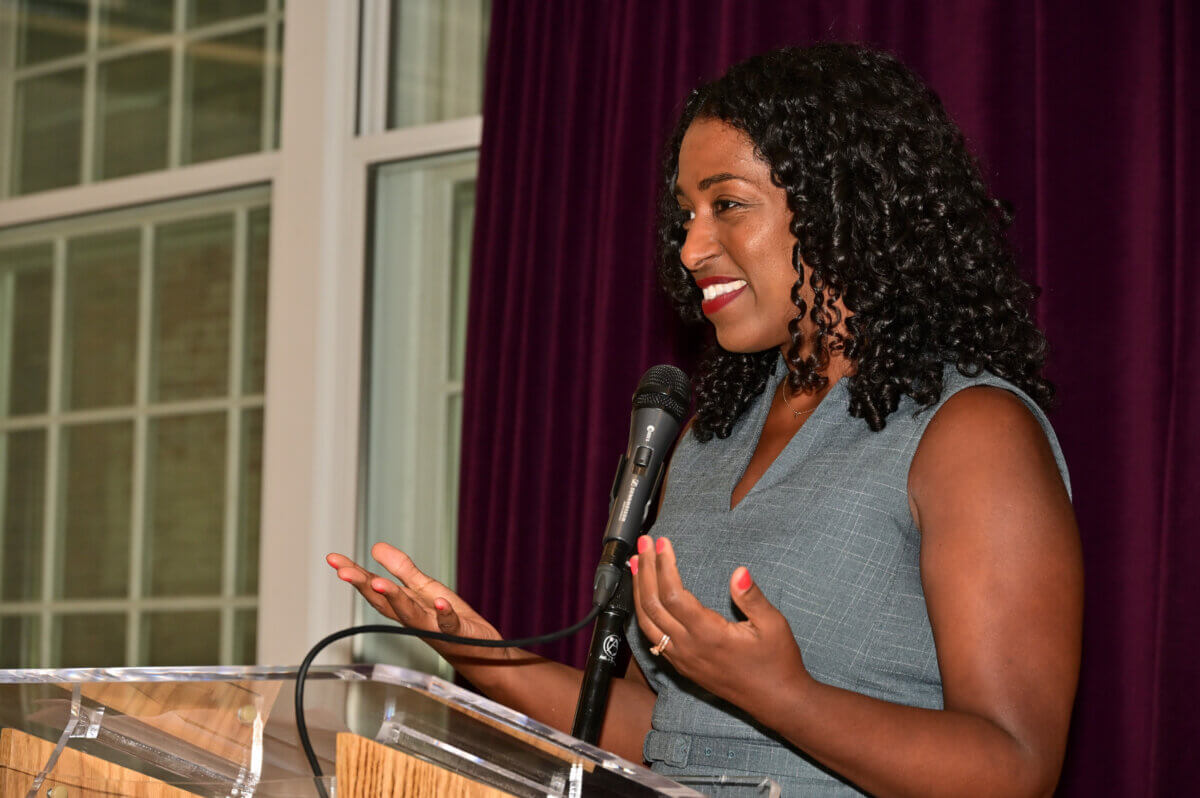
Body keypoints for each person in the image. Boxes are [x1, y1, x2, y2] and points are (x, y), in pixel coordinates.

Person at [327, 43, 1082, 797]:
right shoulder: (709, 437)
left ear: (842, 205)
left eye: (727, 204)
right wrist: (479, 652)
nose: (690, 248)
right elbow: (669, 735)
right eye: (686, 213)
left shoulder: (970, 429)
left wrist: (787, 696)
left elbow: (1014, 768)